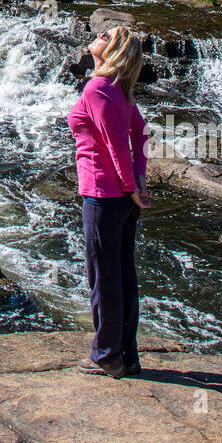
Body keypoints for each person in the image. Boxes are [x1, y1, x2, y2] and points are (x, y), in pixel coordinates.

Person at [67, 25, 150, 378]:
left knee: (104, 279)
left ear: (113, 50)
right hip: (122, 200)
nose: (96, 34)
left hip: (103, 195)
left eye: (104, 34)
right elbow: (141, 133)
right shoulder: (121, 90)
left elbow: (118, 143)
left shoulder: (98, 88)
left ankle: (106, 355)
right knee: (123, 277)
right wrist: (139, 180)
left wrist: (132, 185)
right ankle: (127, 355)